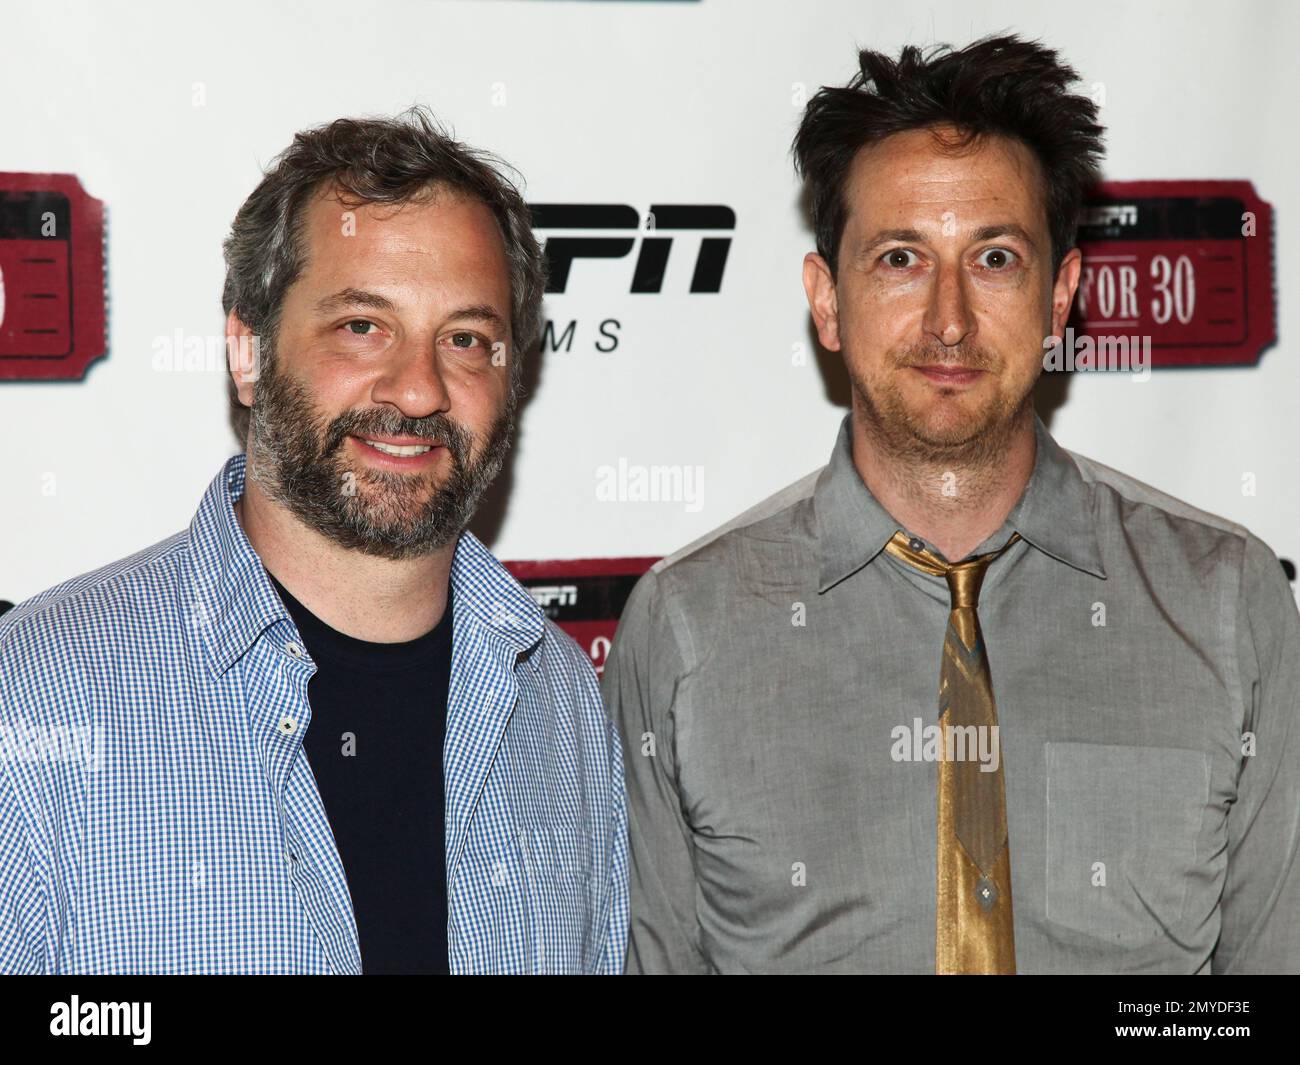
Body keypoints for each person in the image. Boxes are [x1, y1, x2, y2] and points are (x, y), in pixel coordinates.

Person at [604, 34, 1300, 974]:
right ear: (827, 300)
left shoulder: (1229, 605)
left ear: (1062, 297)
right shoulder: (686, 628)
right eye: (899, 257)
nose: (949, 321)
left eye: (996, 259)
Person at [0, 108, 627, 974]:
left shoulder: (558, 697)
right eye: (362, 326)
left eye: (466, 339)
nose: (417, 390)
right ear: (249, 351)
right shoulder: (37, 693)